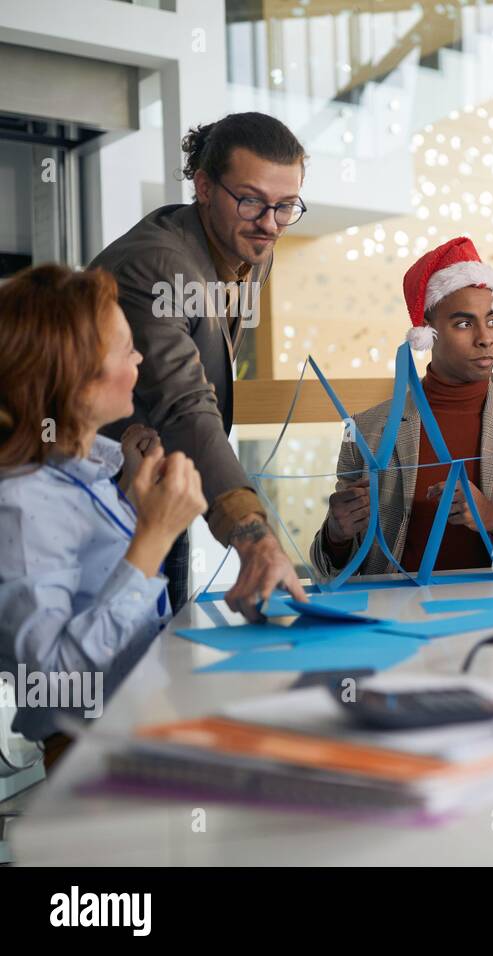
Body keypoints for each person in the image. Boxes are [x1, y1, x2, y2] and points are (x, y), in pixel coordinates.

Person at [88, 112, 309, 619]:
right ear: (204, 185)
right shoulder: (158, 265)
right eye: (251, 200)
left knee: (166, 649)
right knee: (106, 667)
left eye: (286, 205)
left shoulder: (252, 247)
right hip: (99, 499)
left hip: (167, 480)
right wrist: (255, 538)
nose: (271, 223)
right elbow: (188, 404)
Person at [0, 266, 206, 755]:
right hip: (86, 751)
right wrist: (154, 536)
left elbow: (97, 595)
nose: (139, 360)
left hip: (138, 727)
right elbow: (52, 680)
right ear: (75, 378)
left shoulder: (93, 470)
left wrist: (136, 507)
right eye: (125, 349)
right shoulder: (21, 505)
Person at [310, 238, 493, 578]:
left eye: (492, 320)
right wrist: (336, 535)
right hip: (398, 619)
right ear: (429, 332)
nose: (486, 337)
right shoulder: (368, 431)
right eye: (464, 324)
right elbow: (329, 571)